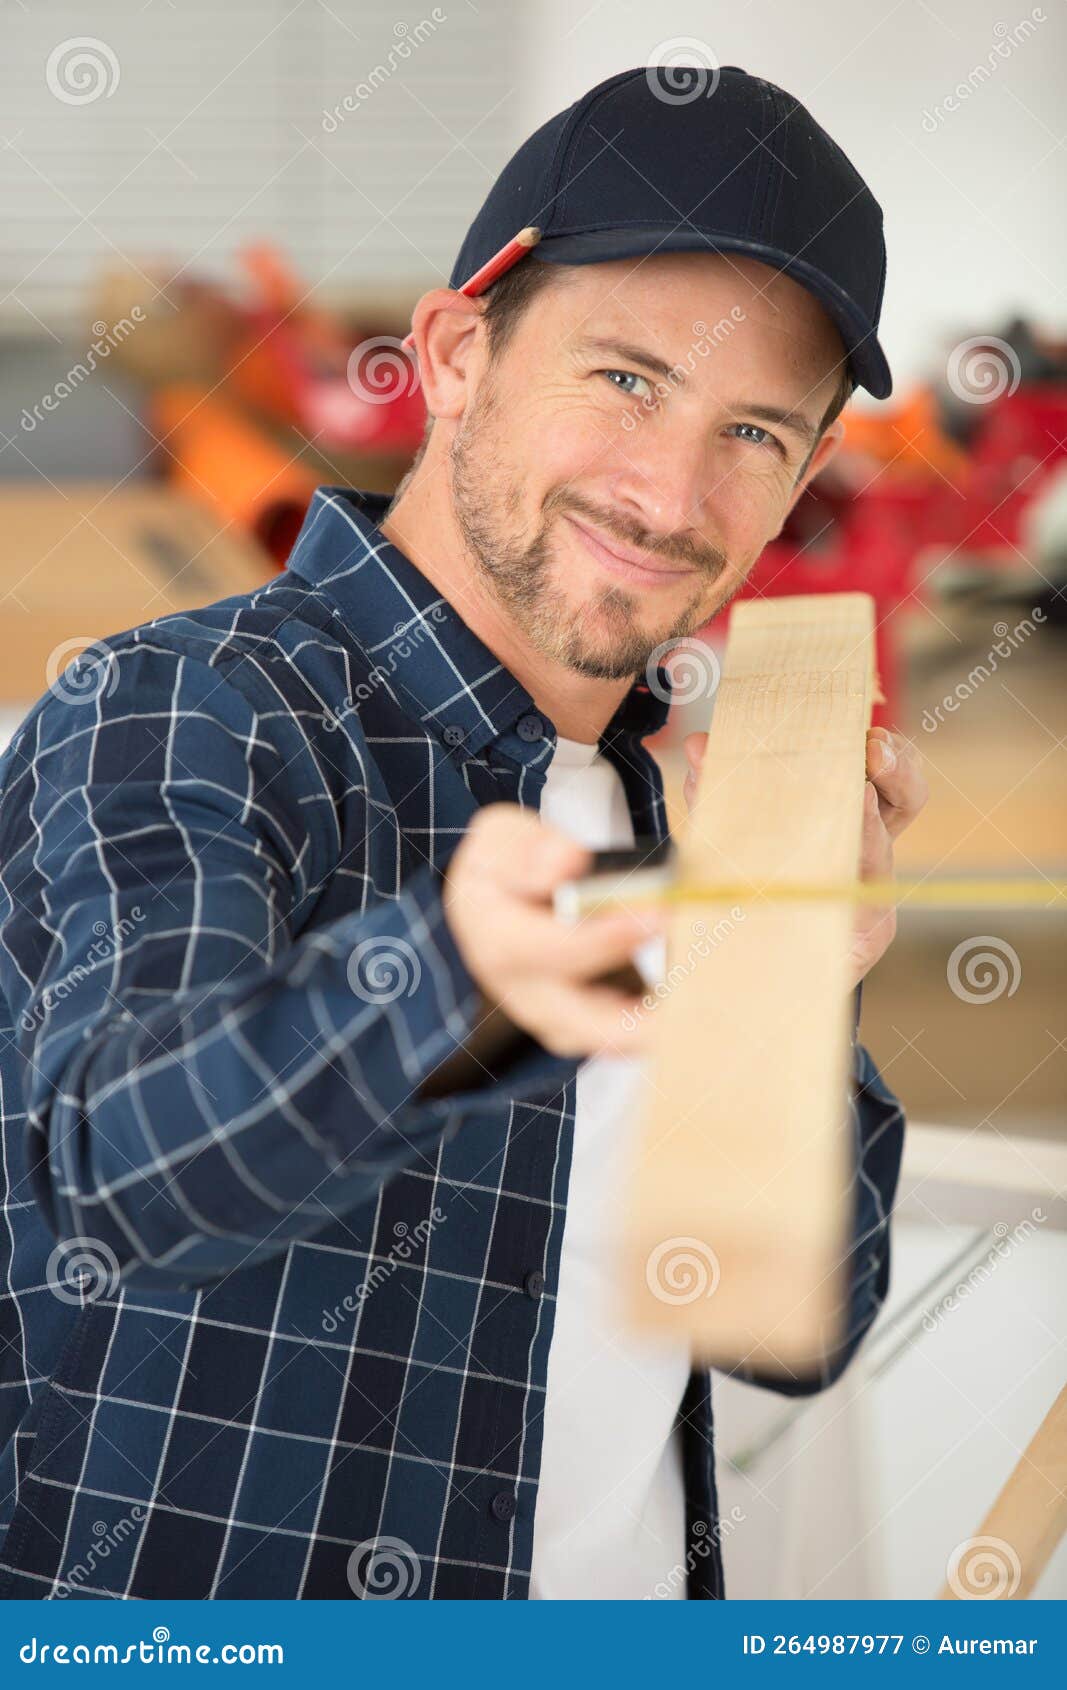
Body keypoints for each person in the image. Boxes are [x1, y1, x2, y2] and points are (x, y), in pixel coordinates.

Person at [0, 64, 926, 1600]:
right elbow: (121, 1169)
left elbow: (792, 1329)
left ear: (805, 478)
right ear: (456, 352)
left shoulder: (668, 811)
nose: (668, 490)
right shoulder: (189, 712)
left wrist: (797, 991)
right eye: (624, 379)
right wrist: (445, 987)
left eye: (753, 431)